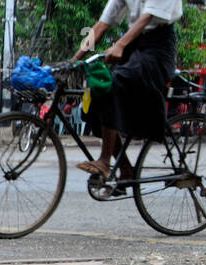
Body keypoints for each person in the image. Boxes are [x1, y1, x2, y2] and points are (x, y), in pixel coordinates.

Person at [74, 0, 182, 178]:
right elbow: (102, 25)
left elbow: (146, 18)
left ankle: (104, 160)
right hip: (135, 46)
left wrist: (120, 45)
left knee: (114, 84)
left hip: (158, 51)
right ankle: (125, 169)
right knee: (99, 91)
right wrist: (75, 60)